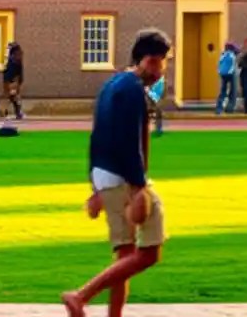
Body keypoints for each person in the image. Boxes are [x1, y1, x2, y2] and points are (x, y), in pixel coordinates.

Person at [62, 28, 172, 317]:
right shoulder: (133, 90)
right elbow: (130, 142)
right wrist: (139, 187)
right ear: (148, 60)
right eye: (161, 61)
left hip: (104, 175)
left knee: (124, 256)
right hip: (123, 178)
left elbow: (97, 135)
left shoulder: (112, 85)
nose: (162, 69)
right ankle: (81, 295)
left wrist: (95, 187)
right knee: (150, 251)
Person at [1, 42, 25, 120]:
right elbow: (12, 72)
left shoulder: (12, 60)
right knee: (12, 97)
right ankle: (5, 112)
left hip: (12, 80)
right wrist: (13, 83)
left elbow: (19, 72)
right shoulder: (13, 61)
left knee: (13, 98)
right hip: (12, 80)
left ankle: (16, 113)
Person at [215, 42, 238, 115]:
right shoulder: (232, 55)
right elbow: (233, 64)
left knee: (223, 91)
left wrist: (219, 71)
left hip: (223, 74)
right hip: (231, 74)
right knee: (233, 91)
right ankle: (230, 108)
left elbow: (219, 64)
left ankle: (219, 109)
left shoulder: (223, 55)